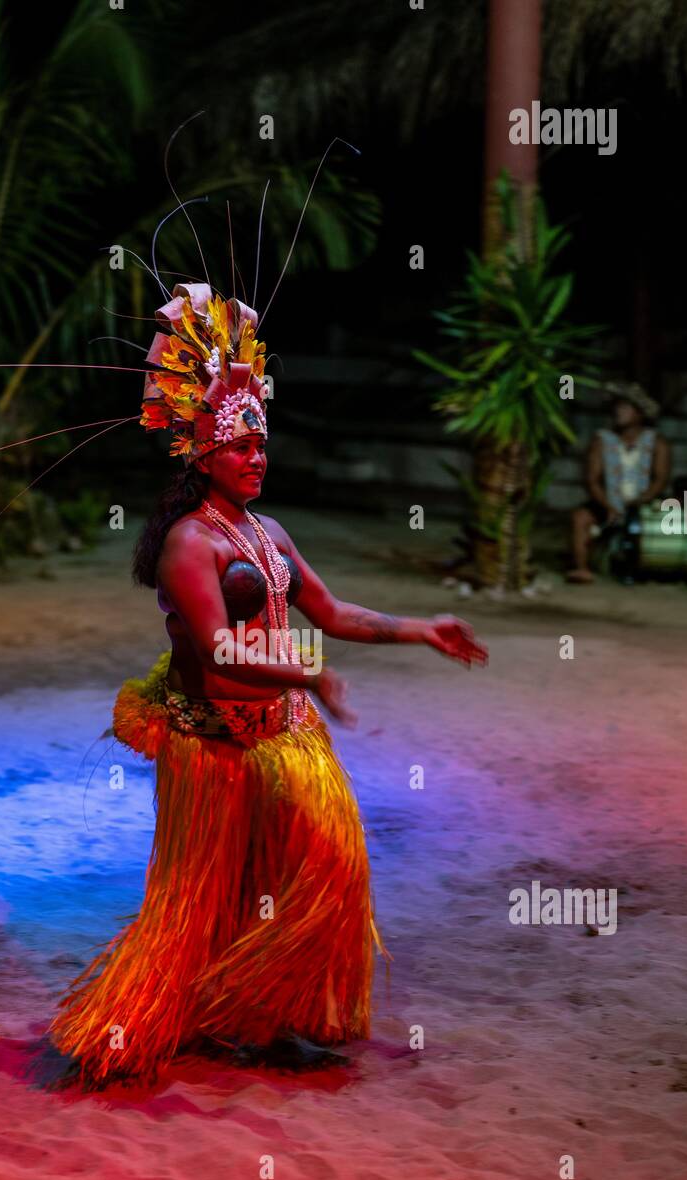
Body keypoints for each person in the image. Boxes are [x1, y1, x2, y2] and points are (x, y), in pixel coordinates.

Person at [49, 281, 487, 1086]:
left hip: (284, 735)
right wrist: (307, 670)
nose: (259, 457)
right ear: (205, 453)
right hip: (212, 749)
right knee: (201, 899)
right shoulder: (191, 543)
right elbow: (216, 650)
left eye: (262, 445)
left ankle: (268, 1012)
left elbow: (328, 609)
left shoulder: (268, 532)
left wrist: (419, 628)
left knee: (328, 871)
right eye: (244, 447)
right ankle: (140, 1022)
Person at [567, 383, 670, 583]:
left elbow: (661, 478)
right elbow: (592, 480)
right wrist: (609, 506)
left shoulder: (657, 442)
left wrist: (642, 501)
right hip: (607, 503)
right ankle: (581, 569)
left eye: (625, 408)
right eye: (617, 407)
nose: (618, 412)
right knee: (580, 517)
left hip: (643, 504)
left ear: (640, 414)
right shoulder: (602, 440)